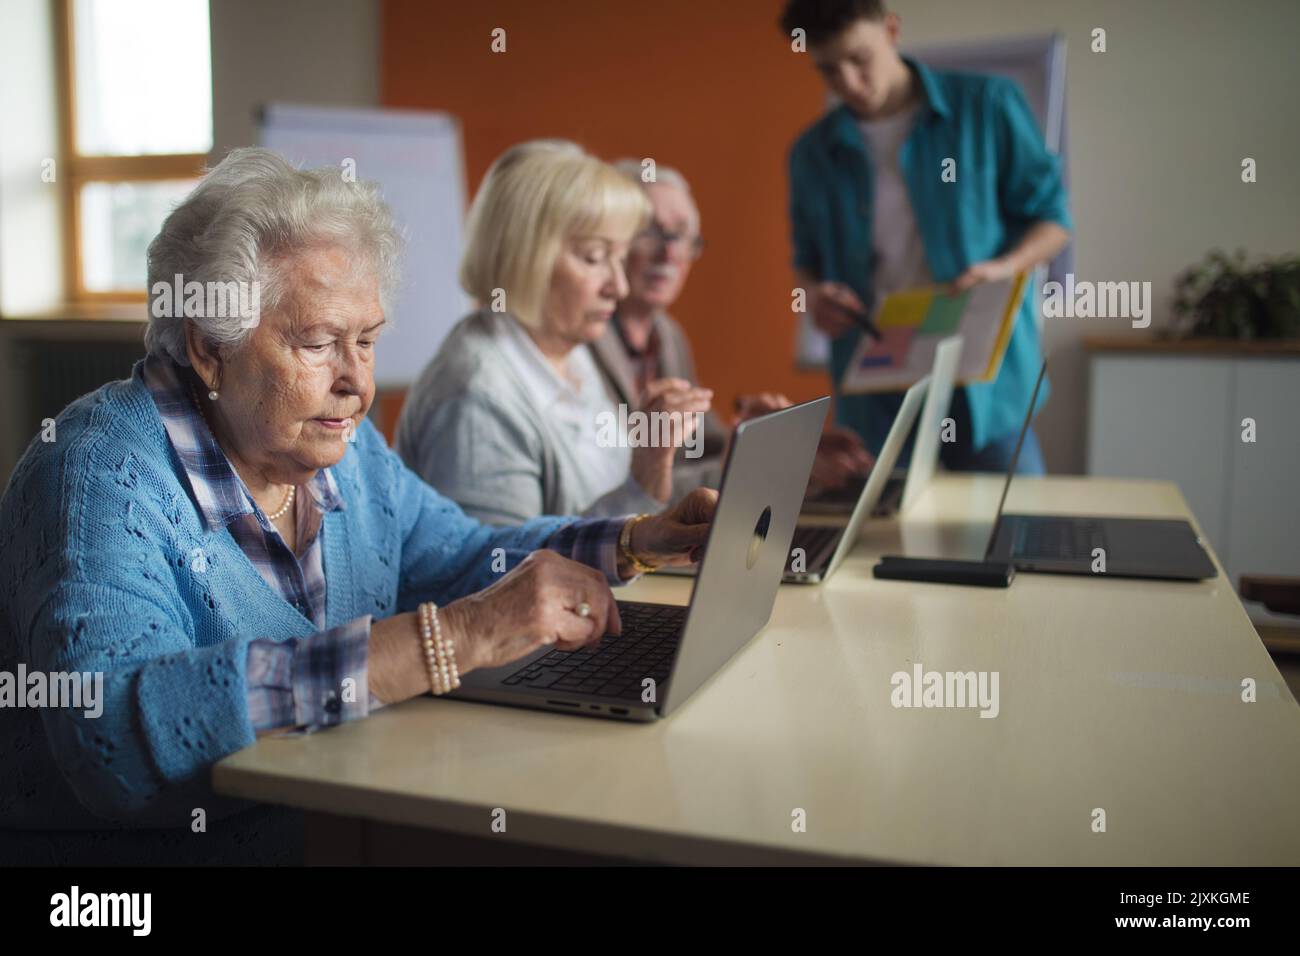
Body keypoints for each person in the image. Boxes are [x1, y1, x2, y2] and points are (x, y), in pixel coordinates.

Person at [0, 147, 713, 864]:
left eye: (367, 342)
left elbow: (459, 554)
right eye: (317, 343)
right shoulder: (97, 474)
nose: (356, 384)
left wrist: (633, 539)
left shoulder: (342, 445)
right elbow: (108, 736)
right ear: (210, 347)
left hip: (337, 824)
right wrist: (450, 639)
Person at [781, 0, 1073, 472]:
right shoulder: (812, 152)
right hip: (876, 376)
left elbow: (1054, 220)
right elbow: (806, 258)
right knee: (879, 535)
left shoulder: (988, 105)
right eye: (829, 70)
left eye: (860, 59)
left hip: (981, 374)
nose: (849, 84)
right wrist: (817, 294)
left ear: (892, 30)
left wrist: (1002, 269)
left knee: (1011, 533)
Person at [395, 140, 713, 525]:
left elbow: (606, 507)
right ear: (527, 257)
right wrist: (644, 480)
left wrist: (654, 467)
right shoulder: (479, 394)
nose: (619, 285)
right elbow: (499, 572)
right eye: (595, 258)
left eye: (620, 257)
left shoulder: (569, 353)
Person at [591, 160, 872, 499]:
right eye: (650, 232)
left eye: (681, 235)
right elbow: (620, 493)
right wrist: (765, 464)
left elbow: (707, 445)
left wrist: (792, 444)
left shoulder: (667, 335)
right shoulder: (580, 340)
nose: (668, 252)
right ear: (613, 243)